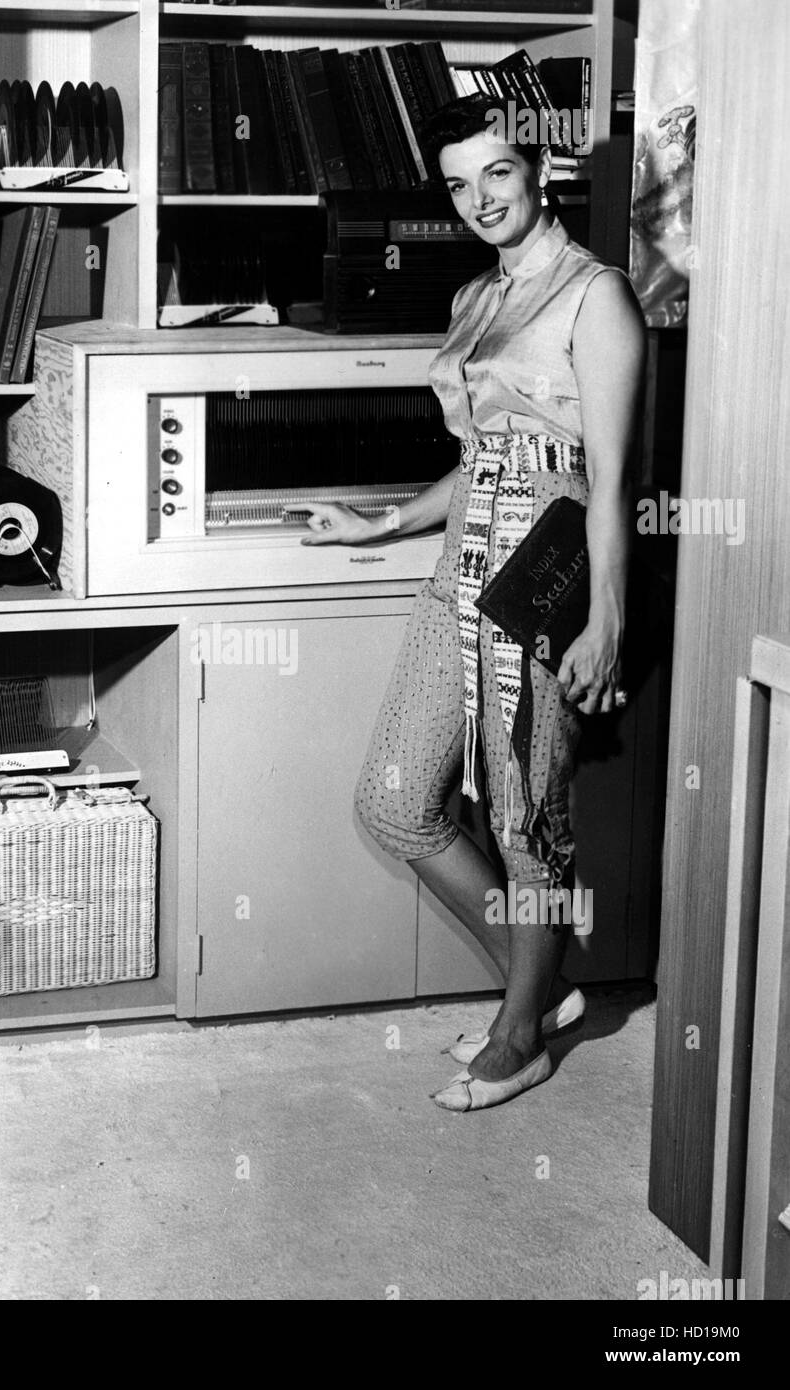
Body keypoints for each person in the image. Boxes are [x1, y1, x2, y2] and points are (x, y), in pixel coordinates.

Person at [300, 95, 646, 1112]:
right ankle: (541, 983)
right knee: (397, 800)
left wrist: (608, 621)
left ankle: (520, 1032)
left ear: (542, 170)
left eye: (497, 172)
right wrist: (382, 523)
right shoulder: (472, 301)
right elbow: (478, 462)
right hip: (461, 560)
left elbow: (610, 483)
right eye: (458, 182)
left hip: (546, 571)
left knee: (528, 813)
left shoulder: (599, 298)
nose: (478, 198)